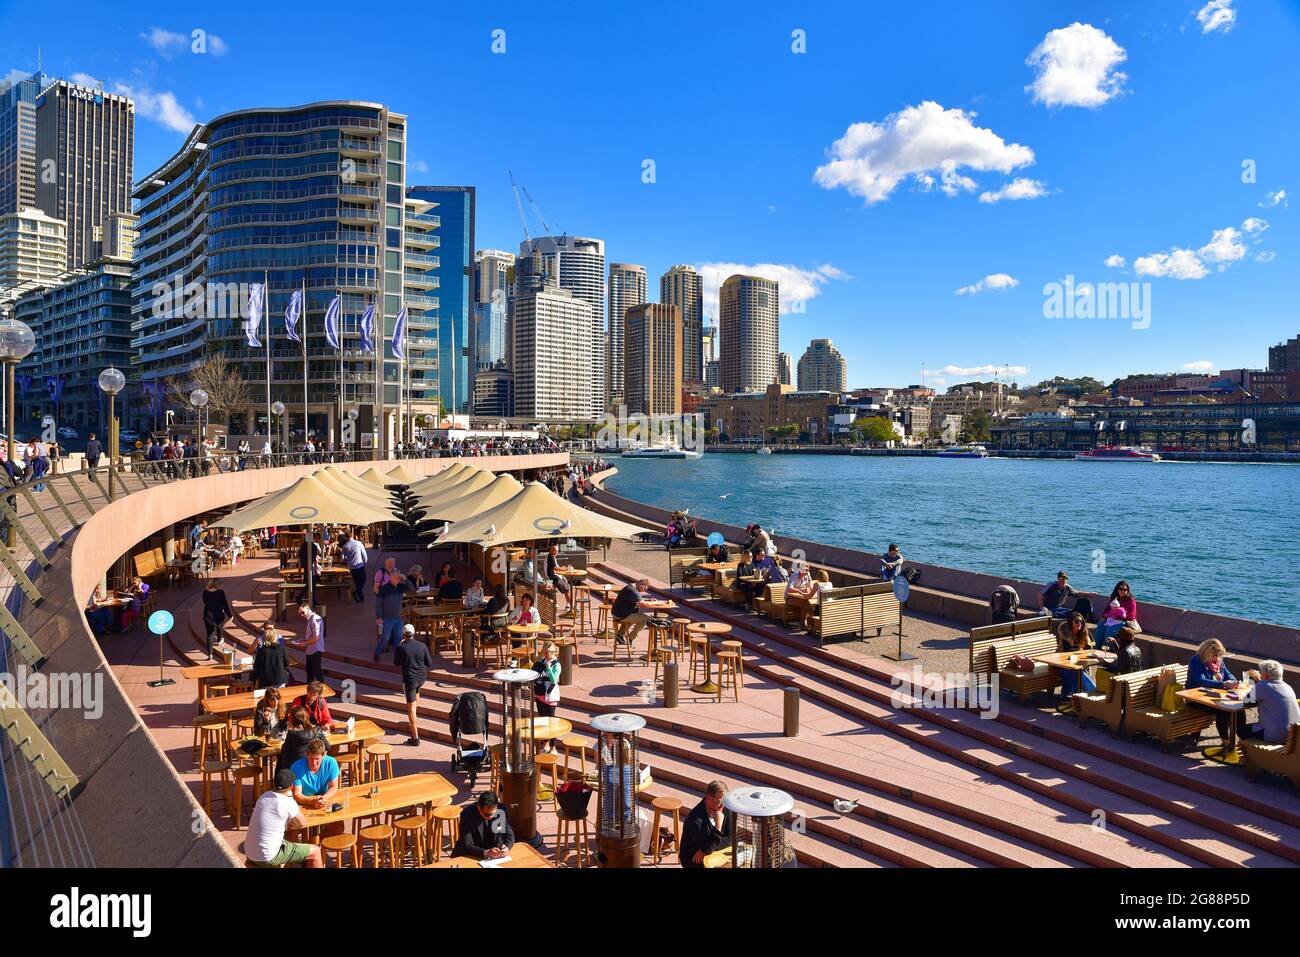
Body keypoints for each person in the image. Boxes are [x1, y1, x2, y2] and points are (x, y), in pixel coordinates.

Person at [245, 769, 322, 868]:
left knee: (286, 841)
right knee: (315, 851)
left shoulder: (263, 796)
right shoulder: (287, 802)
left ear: (274, 783)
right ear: (291, 787)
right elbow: (302, 823)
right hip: (267, 857)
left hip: (250, 853)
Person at [1188, 638, 1239, 743]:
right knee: (1223, 710)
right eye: (1216, 655)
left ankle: (1242, 738)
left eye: (1220, 655)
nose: (1218, 658)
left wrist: (1233, 681)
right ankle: (1226, 742)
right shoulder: (1196, 661)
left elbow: (1228, 674)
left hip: (1213, 696)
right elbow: (1201, 681)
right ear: (1207, 653)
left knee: (1239, 708)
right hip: (1195, 698)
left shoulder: (1219, 661)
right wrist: (1223, 684)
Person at [394, 623, 434, 746]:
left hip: (410, 680)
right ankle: (415, 720)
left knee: (411, 709)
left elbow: (396, 663)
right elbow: (429, 663)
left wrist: (400, 647)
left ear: (403, 634)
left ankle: (415, 737)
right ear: (414, 633)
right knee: (415, 699)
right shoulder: (422, 646)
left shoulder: (401, 648)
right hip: (422, 678)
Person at [679, 780, 733, 868]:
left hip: (712, 855)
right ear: (708, 798)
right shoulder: (695, 819)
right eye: (719, 801)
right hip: (694, 860)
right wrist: (718, 825)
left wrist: (705, 850)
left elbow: (731, 838)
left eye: (724, 801)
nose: (722, 805)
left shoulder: (724, 808)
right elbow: (707, 847)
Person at [1245, 660, 1300, 743]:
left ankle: (1250, 753)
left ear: (1266, 675)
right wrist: (1260, 681)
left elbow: (1247, 702)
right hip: (1293, 735)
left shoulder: (1262, 685)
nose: (1259, 673)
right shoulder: (1287, 686)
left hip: (1276, 735)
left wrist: (1254, 681)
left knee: (1240, 728)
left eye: (1261, 672)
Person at [453, 791, 516, 860]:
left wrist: (507, 847)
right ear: (478, 808)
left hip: (495, 854)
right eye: (487, 815)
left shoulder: (501, 809)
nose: (491, 817)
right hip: (473, 853)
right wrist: (486, 852)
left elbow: (510, 833)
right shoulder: (467, 815)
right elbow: (466, 844)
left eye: (493, 814)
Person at [290, 739, 340, 814]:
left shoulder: (331, 763)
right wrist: (312, 802)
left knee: (337, 824)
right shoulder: (296, 767)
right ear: (307, 754)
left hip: (324, 800)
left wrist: (324, 798)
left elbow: (333, 787)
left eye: (317, 759)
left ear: (324, 755)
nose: (314, 763)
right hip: (304, 803)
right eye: (311, 758)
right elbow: (297, 794)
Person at [372, 565, 411, 662]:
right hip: (387, 619)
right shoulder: (384, 589)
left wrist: (405, 579)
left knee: (398, 637)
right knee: (385, 638)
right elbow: (377, 604)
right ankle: (377, 652)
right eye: (396, 576)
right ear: (390, 577)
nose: (398, 578)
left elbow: (413, 589)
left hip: (398, 618)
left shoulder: (401, 587)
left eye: (399, 576)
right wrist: (379, 617)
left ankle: (396, 655)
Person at [1056, 613, 1096, 695]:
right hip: (1062, 662)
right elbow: (1066, 652)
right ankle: (1089, 692)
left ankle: (1077, 695)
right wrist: (1080, 649)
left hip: (1079, 661)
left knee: (1078, 671)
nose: (1079, 624)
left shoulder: (1084, 633)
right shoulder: (1065, 634)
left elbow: (1090, 647)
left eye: (1081, 622)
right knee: (1073, 671)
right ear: (1071, 622)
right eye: (1076, 622)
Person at [1096, 581, 1139, 647]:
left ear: (1127, 590)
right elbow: (1107, 609)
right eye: (1121, 589)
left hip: (1125, 621)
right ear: (1117, 589)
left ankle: (1105, 649)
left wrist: (1118, 617)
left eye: (1125, 589)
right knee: (1101, 625)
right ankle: (1096, 647)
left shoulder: (1131, 600)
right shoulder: (1115, 598)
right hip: (1113, 619)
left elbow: (1132, 615)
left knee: (1109, 629)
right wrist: (1104, 616)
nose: (1123, 591)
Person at [291, 600, 326, 683]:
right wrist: (301, 641)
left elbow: (316, 638)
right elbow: (312, 637)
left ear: (308, 608)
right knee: (310, 672)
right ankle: (309, 691)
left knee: (317, 672)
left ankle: (323, 691)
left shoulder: (314, 619)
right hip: (311, 650)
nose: (302, 615)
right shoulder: (311, 619)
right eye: (300, 614)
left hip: (315, 650)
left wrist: (304, 643)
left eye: (303, 612)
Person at [275, 706, 315, 777]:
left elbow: (285, 753)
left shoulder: (292, 734)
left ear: (293, 719)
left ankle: (277, 784)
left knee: (280, 758)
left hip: (293, 767)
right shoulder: (313, 731)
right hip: (308, 765)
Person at [611, 578, 651, 645]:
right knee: (647, 619)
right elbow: (642, 604)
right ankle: (631, 637)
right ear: (642, 585)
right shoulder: (633, 591)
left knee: (635, 615)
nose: (643, 591)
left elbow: (638, 600)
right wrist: (658, 603)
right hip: (622, 614)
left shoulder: (630, 587)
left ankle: (620, 634)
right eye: (644, 589)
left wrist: (649, 600)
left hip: (618, 613)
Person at [201, 578, 233, 659]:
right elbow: (225, 604)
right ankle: (219, 640)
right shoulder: (220, 592)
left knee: (210, 634)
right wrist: (229, 615)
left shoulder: (205, 592)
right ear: (217, 584)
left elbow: (205, 602)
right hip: (218, 614)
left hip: (208, 615)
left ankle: (210, 654)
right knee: (219, 627)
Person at [533, 641, 561, 727]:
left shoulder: (557, 665)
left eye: (547, 652)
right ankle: (544, 740)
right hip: (540, 694)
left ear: (552, 652)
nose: (545, 654)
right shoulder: (542, 660)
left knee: (550, 723)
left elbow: (554, 680)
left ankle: (552, 740)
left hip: (550, 696)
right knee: (542, 721)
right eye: (544, 652)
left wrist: (549, 668)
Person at [338, 531, 368, 603]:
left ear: (346, 537)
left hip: (351, 567)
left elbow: (342, 558)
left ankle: (361, 597)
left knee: (357, 581)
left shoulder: (345, 546)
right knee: (363, 579)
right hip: (359, 565)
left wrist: (347, 559)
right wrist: (365, 563)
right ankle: (356, 592)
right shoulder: (359, 543)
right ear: (352, 535)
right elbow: (364, 555)